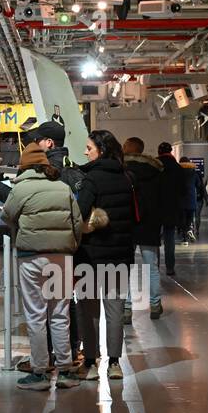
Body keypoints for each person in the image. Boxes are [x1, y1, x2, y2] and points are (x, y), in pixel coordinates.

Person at [3, 143, 84, 391]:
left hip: (31, 257)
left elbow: (7, 215)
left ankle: (39, 372)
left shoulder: (21, 188)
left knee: (36, 315)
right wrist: (70, 245)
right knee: (60, 313)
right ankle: (66, 371)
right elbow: (78, 222)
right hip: (61, 257)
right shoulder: (62, 187)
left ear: (24, 165)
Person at [74, 130, 137, 382]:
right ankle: (114, 363)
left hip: (90, 255)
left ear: (100, 150)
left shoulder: (91, 179)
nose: (85, 152)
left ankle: (90, 361)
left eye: (89, 148)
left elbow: (79, 215)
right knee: (114, 311)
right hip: (120, 255)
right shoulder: (127, 178)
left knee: (89, 311)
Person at [123, 137, 165, 319]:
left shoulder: (121, 170)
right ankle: (155, 305)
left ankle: (126, 308)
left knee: (125, 267)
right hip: (150, 223)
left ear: (129, 149)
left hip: (127, 223)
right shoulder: (156, 171)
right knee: (151, 267)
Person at [156, 142, 187, 275]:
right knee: (170, 238)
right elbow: (183, 190)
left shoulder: (154, 166)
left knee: (154, 240)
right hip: (172, 208)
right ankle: (170, 267)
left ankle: (155, 266)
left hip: (155, 207)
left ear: (159, 151)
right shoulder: (178, 168)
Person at [179, 157, 199, 242]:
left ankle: (184, 237)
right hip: (191, 200)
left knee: (182, 220)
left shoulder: (177, 173)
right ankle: (189, 230)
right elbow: (198, 185)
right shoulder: (193, 173)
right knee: (189, 219)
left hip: (181, 201)